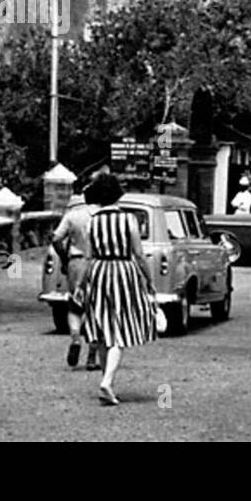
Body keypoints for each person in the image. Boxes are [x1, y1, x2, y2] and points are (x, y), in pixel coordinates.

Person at [81, 173, 156, 406]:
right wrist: (148, 280)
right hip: (124, 271)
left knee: (102, 327)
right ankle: (108, 380)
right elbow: (139, 254)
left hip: (99, 272)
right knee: (121, 329)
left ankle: (107, 380)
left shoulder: (91, 222)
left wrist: (81, 285)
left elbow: (88, 256)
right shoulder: (128, 220)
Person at [51, 198, 96, 370]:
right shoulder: (99, 215)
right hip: (97, 263)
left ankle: (76, 338)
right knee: (95, 306)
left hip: (75, 262)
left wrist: (64, 257)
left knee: (75, 304)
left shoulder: (72, 216)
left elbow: (56, 239)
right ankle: (92, 355)